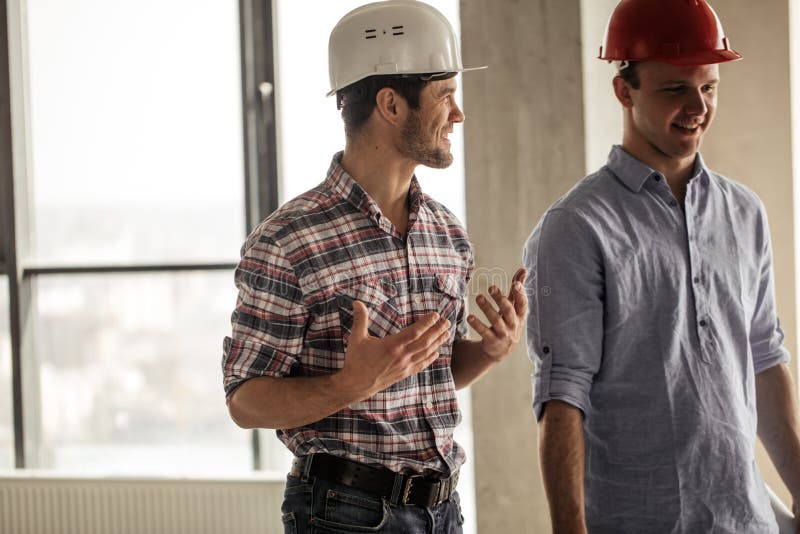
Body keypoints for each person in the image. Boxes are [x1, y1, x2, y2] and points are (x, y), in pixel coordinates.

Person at [222, 1, 527, 532]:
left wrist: (489, 351)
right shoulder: (288, 240)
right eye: (445, 95)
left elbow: (428, 378)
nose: (458, 114)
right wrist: (349, 384)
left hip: (443, 511)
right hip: (343, 514)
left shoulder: (447, 234)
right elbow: (245, 401)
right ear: (391, 103)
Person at [523, 0, 800, 532]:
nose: (698, 107)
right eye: (675, 89)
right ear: (624, 91)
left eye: (709, 87)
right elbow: (562, 396)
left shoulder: (744, 212)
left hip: (747, 520)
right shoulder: (576, 227)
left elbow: (764, 357)